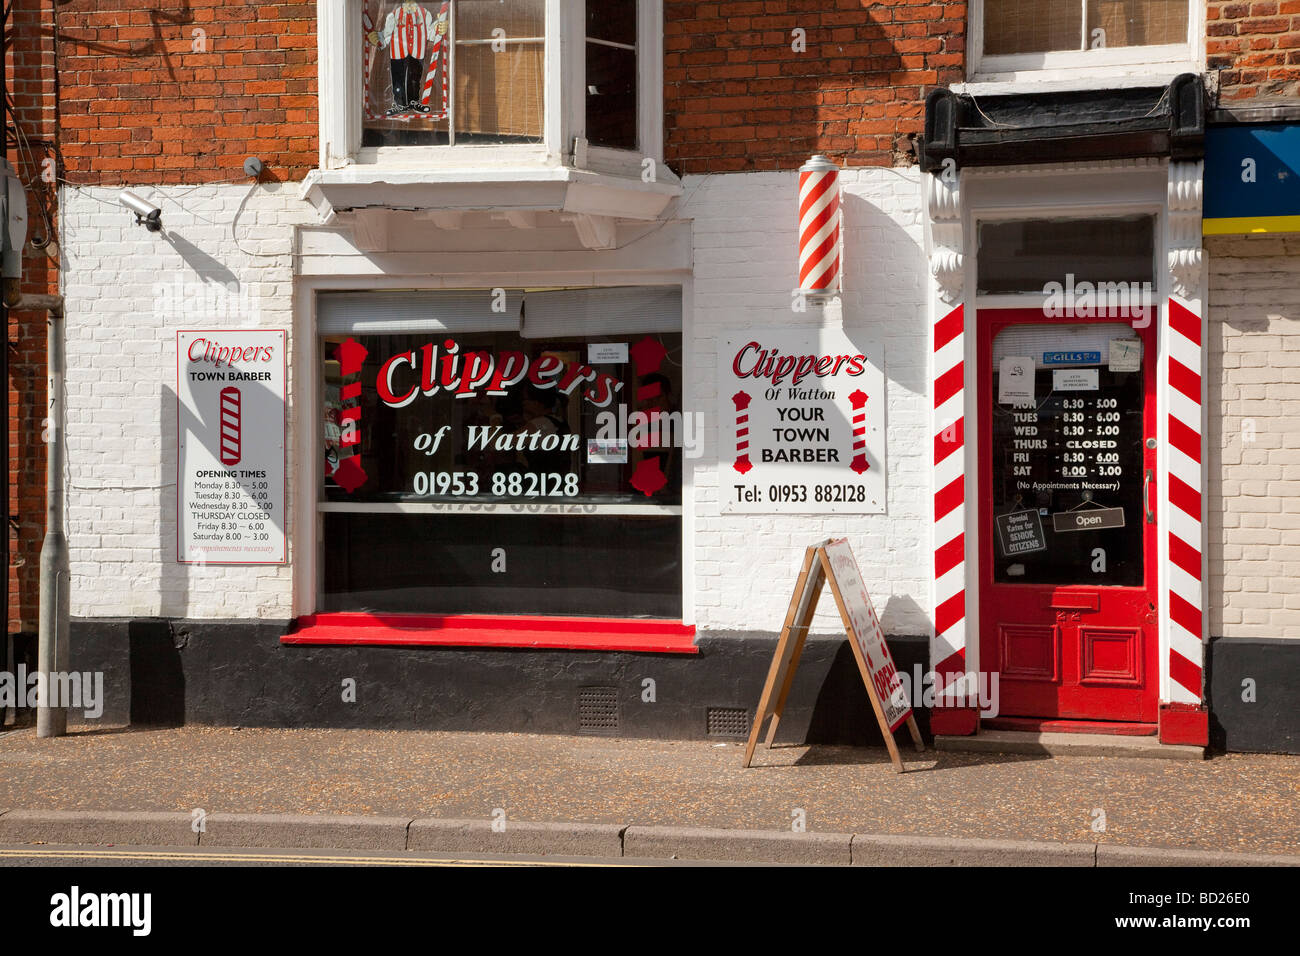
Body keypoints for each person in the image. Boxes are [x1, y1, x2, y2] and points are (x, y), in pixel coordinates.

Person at [369, 2, 447, 115]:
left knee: (415, 78)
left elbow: (431, 34)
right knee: (398, 79)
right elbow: (386, 36)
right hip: (397, 52)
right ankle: (399, 104)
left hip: (417, 51)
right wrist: (376, 39)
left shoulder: (425, 14)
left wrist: (438, 27)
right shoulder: (393, 16)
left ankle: (413, 102)